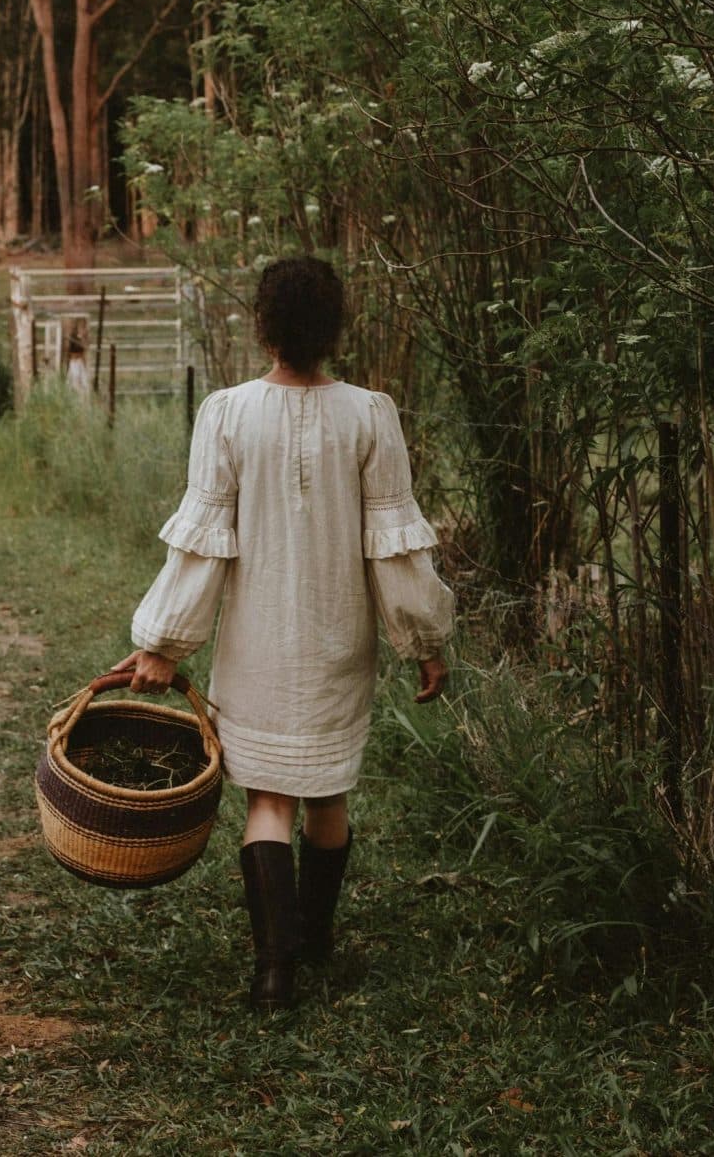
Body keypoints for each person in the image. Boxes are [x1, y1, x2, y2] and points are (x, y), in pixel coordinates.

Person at [113, 256, 455, 1010]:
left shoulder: (228, 413)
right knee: (327, 799)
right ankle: (316, 939)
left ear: (263, 327)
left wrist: (164, 642)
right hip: (340, 638)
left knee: (268, 801)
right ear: (334, 330)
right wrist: (424, 637)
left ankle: (274, 973)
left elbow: (202, 544)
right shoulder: (371, 413)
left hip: (257, 642)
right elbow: (394, 545)